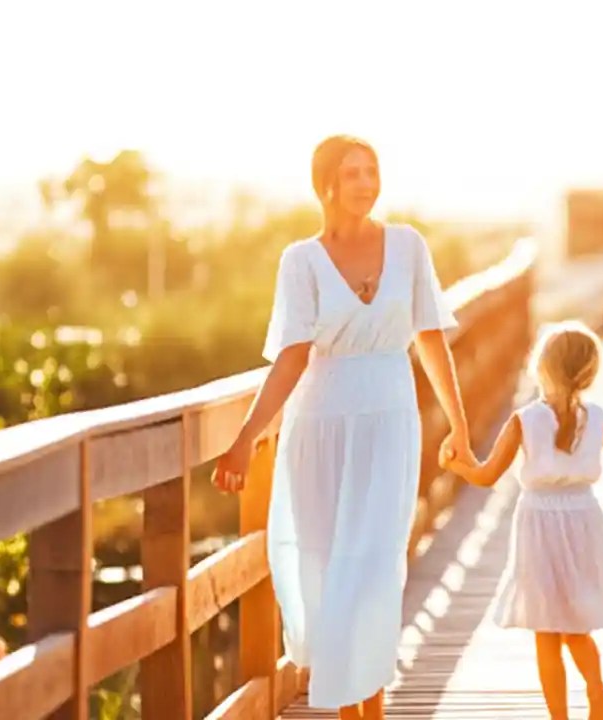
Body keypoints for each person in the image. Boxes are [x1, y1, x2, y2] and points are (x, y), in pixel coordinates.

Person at [212, 135, 473, 720]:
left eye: (371, 171)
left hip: (389, 423)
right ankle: (352, 713)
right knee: (329, 572)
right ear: (325, 184)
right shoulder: (300, 261)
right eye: (352, 173)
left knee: (375, 570)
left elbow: (431, 338)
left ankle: (371, 713)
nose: (365, 182)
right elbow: (291, 357)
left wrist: (458, 426)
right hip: (319, 428)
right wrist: (245, 436)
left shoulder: (408, 247)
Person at [441, 321, 603, 720]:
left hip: (539, 524)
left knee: (545, 630)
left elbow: (487, 475)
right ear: (588, 372)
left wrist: (455, 464)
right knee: (576, 624)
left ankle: (558, 716)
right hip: (583, 521)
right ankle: (597, 694)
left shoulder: (524, 421)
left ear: (541, 366)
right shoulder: (597, 418)